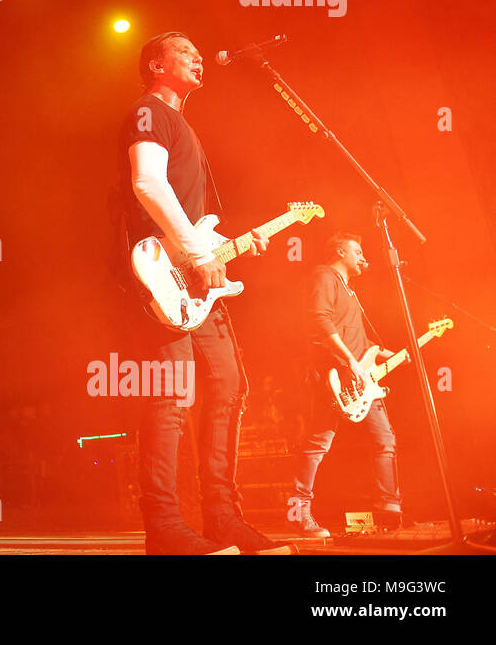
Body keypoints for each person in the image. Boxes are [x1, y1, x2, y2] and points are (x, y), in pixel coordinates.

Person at [116, 31, 291, 554]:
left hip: (196, 277)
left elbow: (192, 218)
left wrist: (225, 244)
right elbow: (147, 185)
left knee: (227, 386)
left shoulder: (184, 125)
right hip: (162, 275)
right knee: (172, 398)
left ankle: (221, 519)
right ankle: (164, 528)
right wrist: (197, 254)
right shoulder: (148, 111)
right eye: (184, 50)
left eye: (197, 51)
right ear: (155, 65)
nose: (197, 57)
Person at [289, 232, 402, 537]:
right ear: (341, 251)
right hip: (332, 375)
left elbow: (361, 342)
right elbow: (320, 319)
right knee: (317, 445)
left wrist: (387, 353)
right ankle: (298, 513)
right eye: (358, 251)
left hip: (360, 379)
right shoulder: (324, 276)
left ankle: (390, 509)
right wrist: (350, 361)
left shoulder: (351, 292)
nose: (363, 257)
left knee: (385, 440)